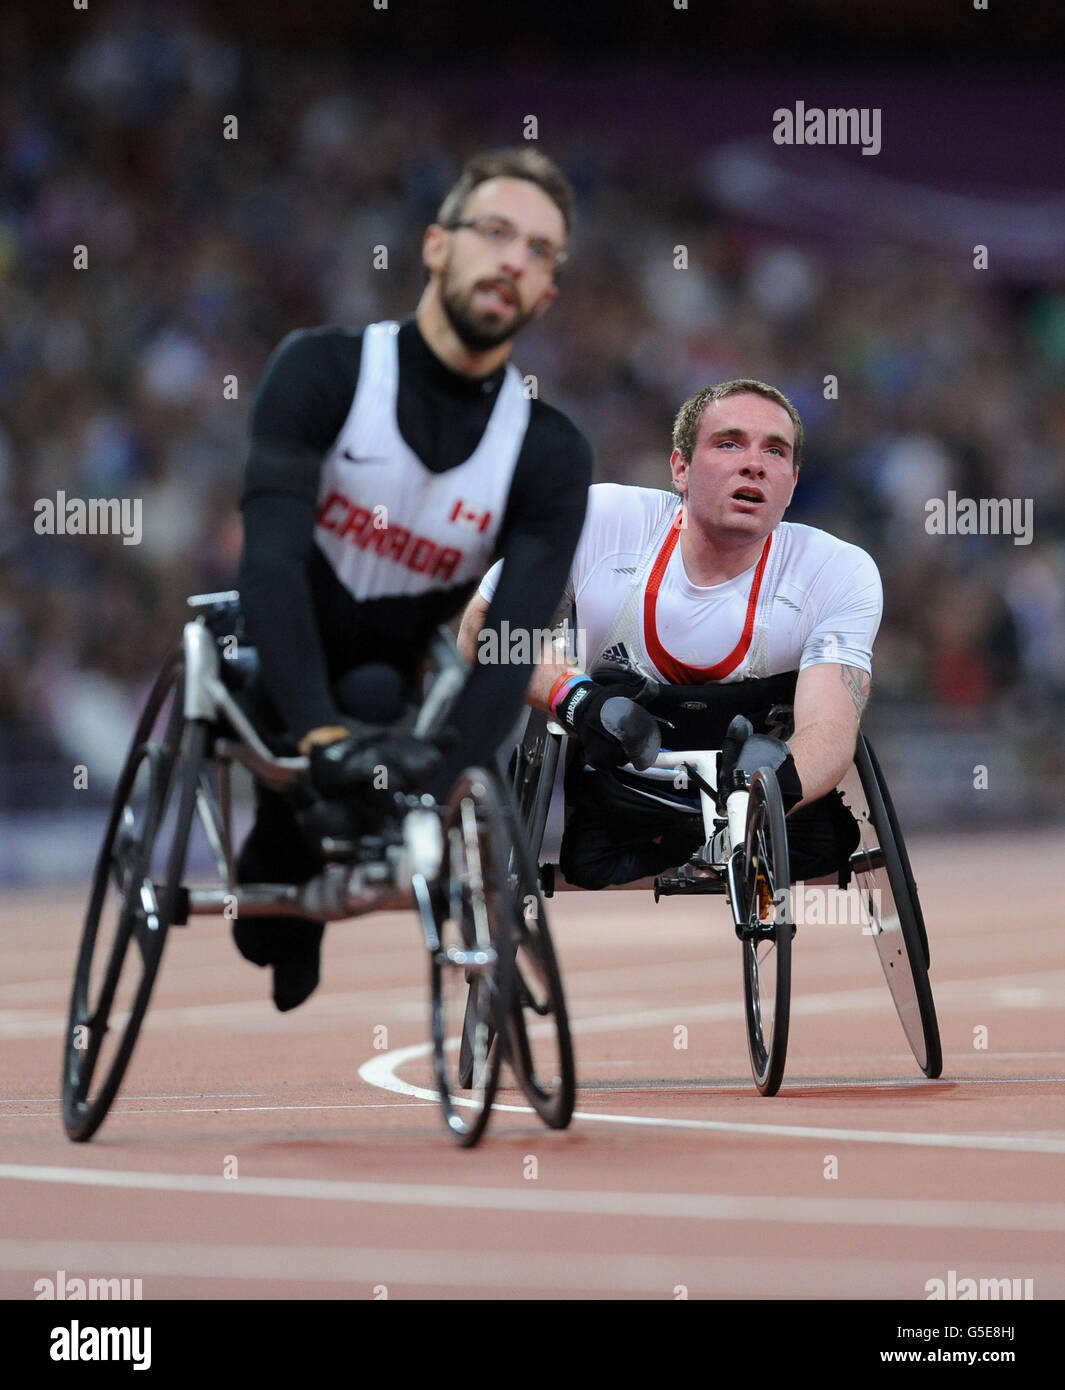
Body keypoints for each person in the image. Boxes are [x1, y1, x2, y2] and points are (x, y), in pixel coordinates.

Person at [233, 148, 592, 1009]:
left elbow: (509, 645)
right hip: (284, 666)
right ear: (436, 246)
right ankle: (286, 852)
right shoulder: (321, 370)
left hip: (401, 681)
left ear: (546, 294)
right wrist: (318, 735)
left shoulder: (547, 451)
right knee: (264, 922)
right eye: (496, 232)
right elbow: (270, 559)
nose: (513, 258)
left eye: (539, 251)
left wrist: (439, 778)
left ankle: (332, 836)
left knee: (380, 685)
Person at [458, 379, 881, 890]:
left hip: (768, 802)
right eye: (729, 443)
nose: (755, 463)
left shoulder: (837, 571)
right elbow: (483, 629)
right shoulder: (602, 521)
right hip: (624, 784)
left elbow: (832, 728)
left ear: (791, 484)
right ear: (680, 468)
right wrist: (574, 699)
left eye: (775, 450)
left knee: (817, 823)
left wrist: (773, 788)